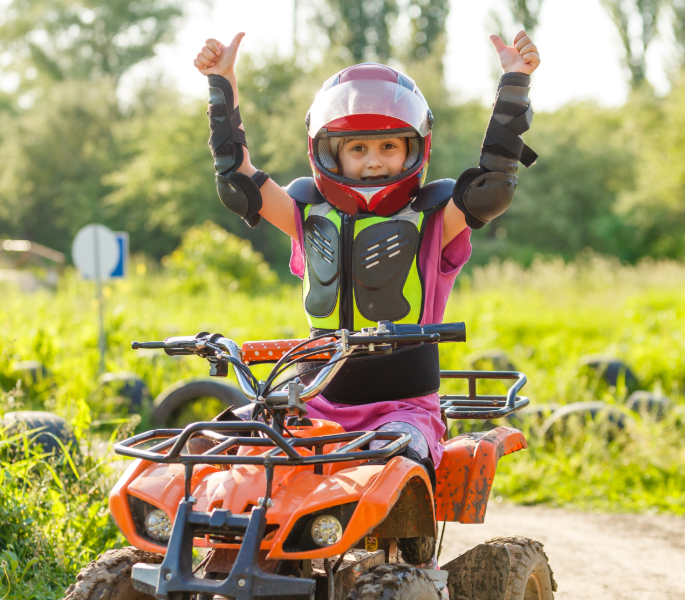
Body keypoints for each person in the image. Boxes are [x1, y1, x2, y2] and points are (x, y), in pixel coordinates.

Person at [194, 30, 540, 567]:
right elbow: (237, 185)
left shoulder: (432, 221)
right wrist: (223, 86)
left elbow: (492, 187)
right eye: (357, 148)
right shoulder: (307, 215)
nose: (374, 161)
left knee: (389, 461)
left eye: (388, 145)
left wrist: (515, 84)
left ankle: (400, 566)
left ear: (414, 149)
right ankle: (224, 558)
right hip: (314, 403)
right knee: (214, 442)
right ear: (329, 152)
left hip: (401, 412)